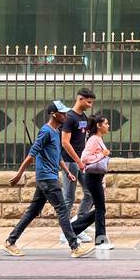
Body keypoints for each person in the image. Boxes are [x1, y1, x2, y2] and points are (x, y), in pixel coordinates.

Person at [3, 100, 96, 259]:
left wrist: (67, 171)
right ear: (54, 114)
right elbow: (32, 154)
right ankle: (74, 245)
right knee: (61, 209)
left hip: (50, 176)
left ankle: (10, 241)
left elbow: (57, 155)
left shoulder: (56, 131)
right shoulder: (46, 131)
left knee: (32, 211)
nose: (66, 115)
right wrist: (19, 174)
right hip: (46, 178)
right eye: (63, 113)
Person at [59, 88, 98, 246]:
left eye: (91, 102)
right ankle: (65, 231)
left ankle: (78, 226)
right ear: (80, 99)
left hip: (81, 161)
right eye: (88, 102)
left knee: (89, 193)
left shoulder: (83, 116)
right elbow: (65, 142)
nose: (90, 105)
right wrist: (77, 160)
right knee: (68, 197)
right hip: (70, 161)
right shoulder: (69, 117)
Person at [77, 114, 114, 250]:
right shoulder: (93, 139)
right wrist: (102, 155)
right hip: (92, 177)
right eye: (106, 123)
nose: (108, 126)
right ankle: (100, 242)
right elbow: (84, 158)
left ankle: (72, 230)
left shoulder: (98, 139)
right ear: (99, 125)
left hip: (96, 178)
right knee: (100, 209)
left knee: (100, 209)